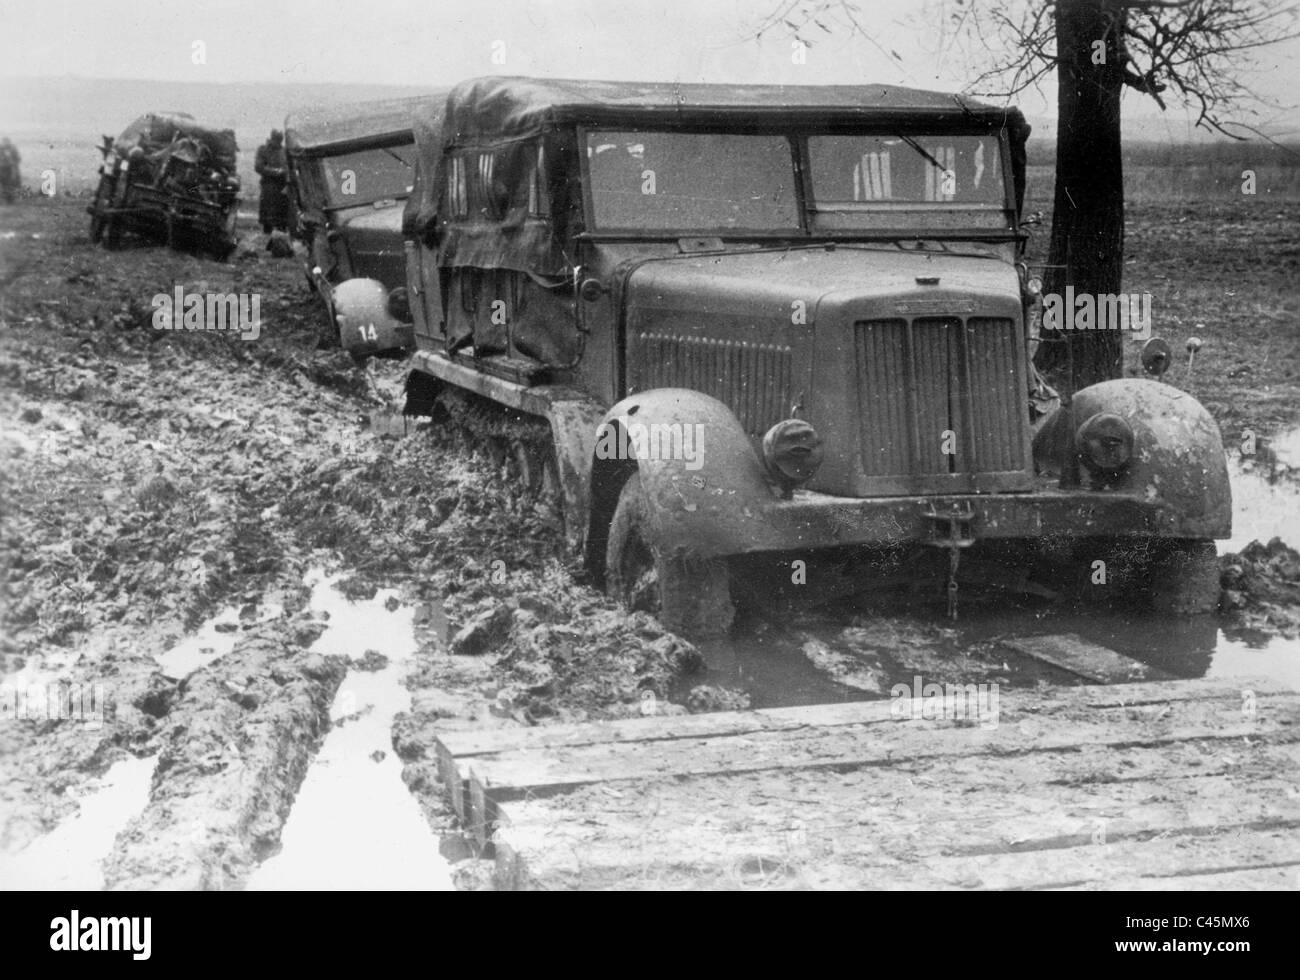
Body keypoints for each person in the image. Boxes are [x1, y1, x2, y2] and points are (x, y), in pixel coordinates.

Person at [254, 129, 288, 234]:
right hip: (269, 186)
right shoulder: (263, 150)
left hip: (282, 187)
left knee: (282, 218)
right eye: (276, 140)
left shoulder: (284, 151)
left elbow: (288, 166)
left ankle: (281, 238)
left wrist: (285, 172)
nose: (278, 143)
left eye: (280, 140)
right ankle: (267, 236)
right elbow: (259, 167)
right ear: (272, 138)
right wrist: (276, 172)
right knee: (268, 217)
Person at [0, 138, 21, 204]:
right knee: (5, 185)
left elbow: (18, 159)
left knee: (9, 184)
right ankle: (7, 199)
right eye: (4, 142)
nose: (5, 144)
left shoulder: (13, 149)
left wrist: (13, 164)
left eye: (7, 142)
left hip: (9, 169)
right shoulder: (1, 149)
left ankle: (10, 200)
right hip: (2, 169)